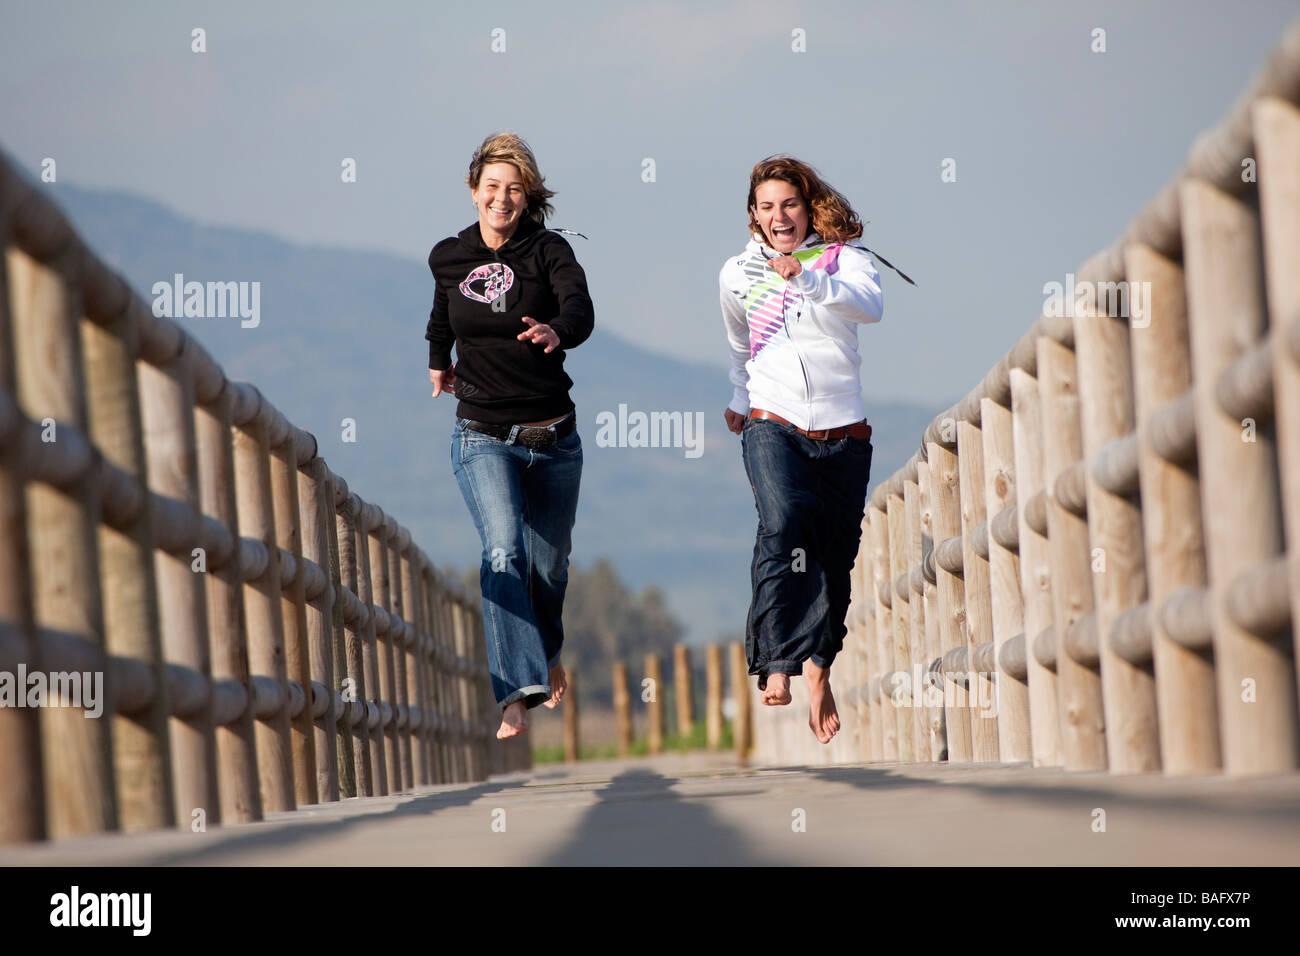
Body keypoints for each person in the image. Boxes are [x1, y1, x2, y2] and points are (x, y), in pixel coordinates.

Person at [426, 132, 594, 740]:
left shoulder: (549, 252)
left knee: (548, 569)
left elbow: (581, 309)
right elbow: (443, 313)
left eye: (514, 189)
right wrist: (437, 358)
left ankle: (546, 652)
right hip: (482, 435)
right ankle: (514, 695)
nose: (502, 198)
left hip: (554, 437)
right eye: (492, 187)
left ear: (528, 198)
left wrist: (557, 331)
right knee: (503, 551)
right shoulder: (448, 256)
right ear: (474, 193)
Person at [719, 155, 884, 744]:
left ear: (807, 206)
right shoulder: (736, 273)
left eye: (788, 203)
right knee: (783, 521)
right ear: (753, 216)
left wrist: (806, 277)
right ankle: (776, 660)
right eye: (766, 207)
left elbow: (871, 307)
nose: (778, 215)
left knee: (835, 557)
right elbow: (740, 345)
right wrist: (740, 398)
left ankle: (819, 668)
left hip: (843, 430)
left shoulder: (845, 260)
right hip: (772, 421)